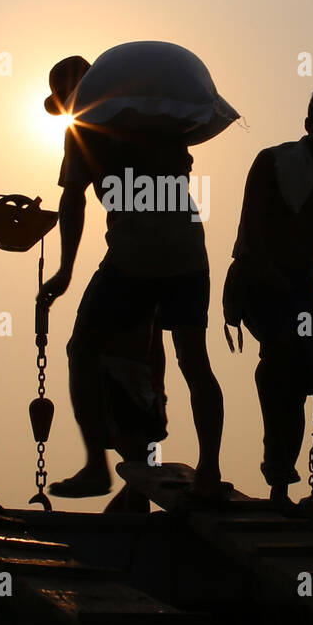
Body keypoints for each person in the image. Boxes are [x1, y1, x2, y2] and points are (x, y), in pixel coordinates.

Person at [38, 54, 226, 504]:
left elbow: (73, 202)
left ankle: (95, 468)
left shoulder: (81, 131)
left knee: (83, 349)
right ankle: (207, 472)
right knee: (191, 362)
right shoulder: (155, 120)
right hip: (186, 253)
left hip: (133, 260)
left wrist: (64, 272)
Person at [224, 85, 313, 509]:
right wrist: (275, 284)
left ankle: (281, 484)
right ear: (311, 124)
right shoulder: (272, 161)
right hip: (256, 279)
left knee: (303, 380)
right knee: (280, 360)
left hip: (300, 289)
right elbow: (252, 231)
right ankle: (277, 469)